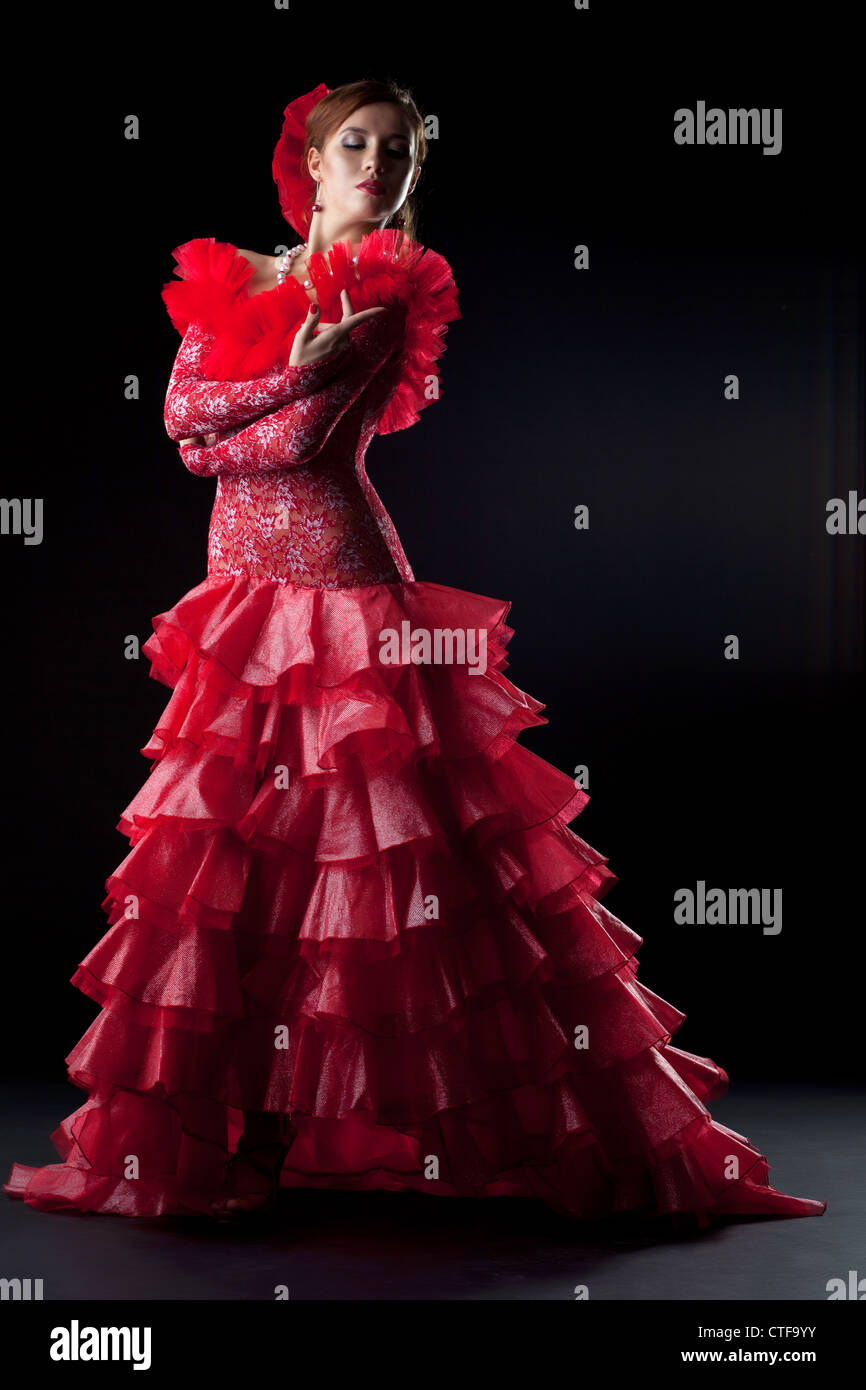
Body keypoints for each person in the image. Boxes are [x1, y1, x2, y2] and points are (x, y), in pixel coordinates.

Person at [5, 79, 827, 1228]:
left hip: (341, 585)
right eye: (356, 144)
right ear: (309, 159)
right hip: (241, 595)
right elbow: (181, 428)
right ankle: (254, 1134)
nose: (375, 167)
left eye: (398, 153)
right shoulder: (238, 275)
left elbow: (287, 445)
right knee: (247, 861)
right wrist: (288, 371)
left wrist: (280, 384)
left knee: (385, 859)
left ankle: (544, 1131)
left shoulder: (387, 288)